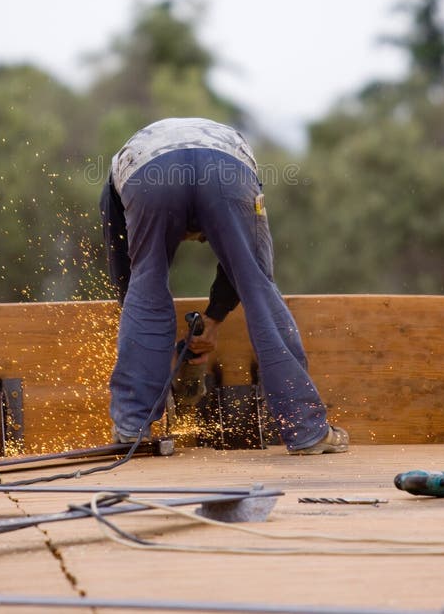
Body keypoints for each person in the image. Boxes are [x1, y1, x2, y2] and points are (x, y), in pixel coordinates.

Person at [100, 117, 349, 455]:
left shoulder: (114, 185)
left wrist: (151, 350)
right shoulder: (241, 159)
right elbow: (248, 267)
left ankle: (132, 426)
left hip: (147, 172)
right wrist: (214, 317)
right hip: (225, 168)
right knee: (258, 287)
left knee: (145, 285)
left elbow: (127, 276)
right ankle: (305, 429)